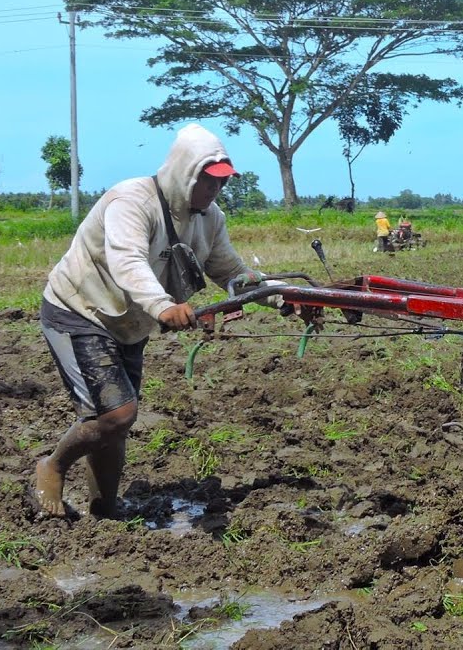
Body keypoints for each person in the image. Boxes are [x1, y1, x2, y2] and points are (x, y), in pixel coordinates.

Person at [33, 123, 284, 519]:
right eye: (208, 181)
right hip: (80, 310)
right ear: (185, 173)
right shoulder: (132, 201)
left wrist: (284, 296)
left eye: (221, 183)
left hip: (129, 323)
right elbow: (126, 259)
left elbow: (230, 271)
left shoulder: (209, 218)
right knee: (116, 414)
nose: (215, 190)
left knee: (115, 419)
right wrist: (162, 304)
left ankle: (105, 510)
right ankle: (53, 466)